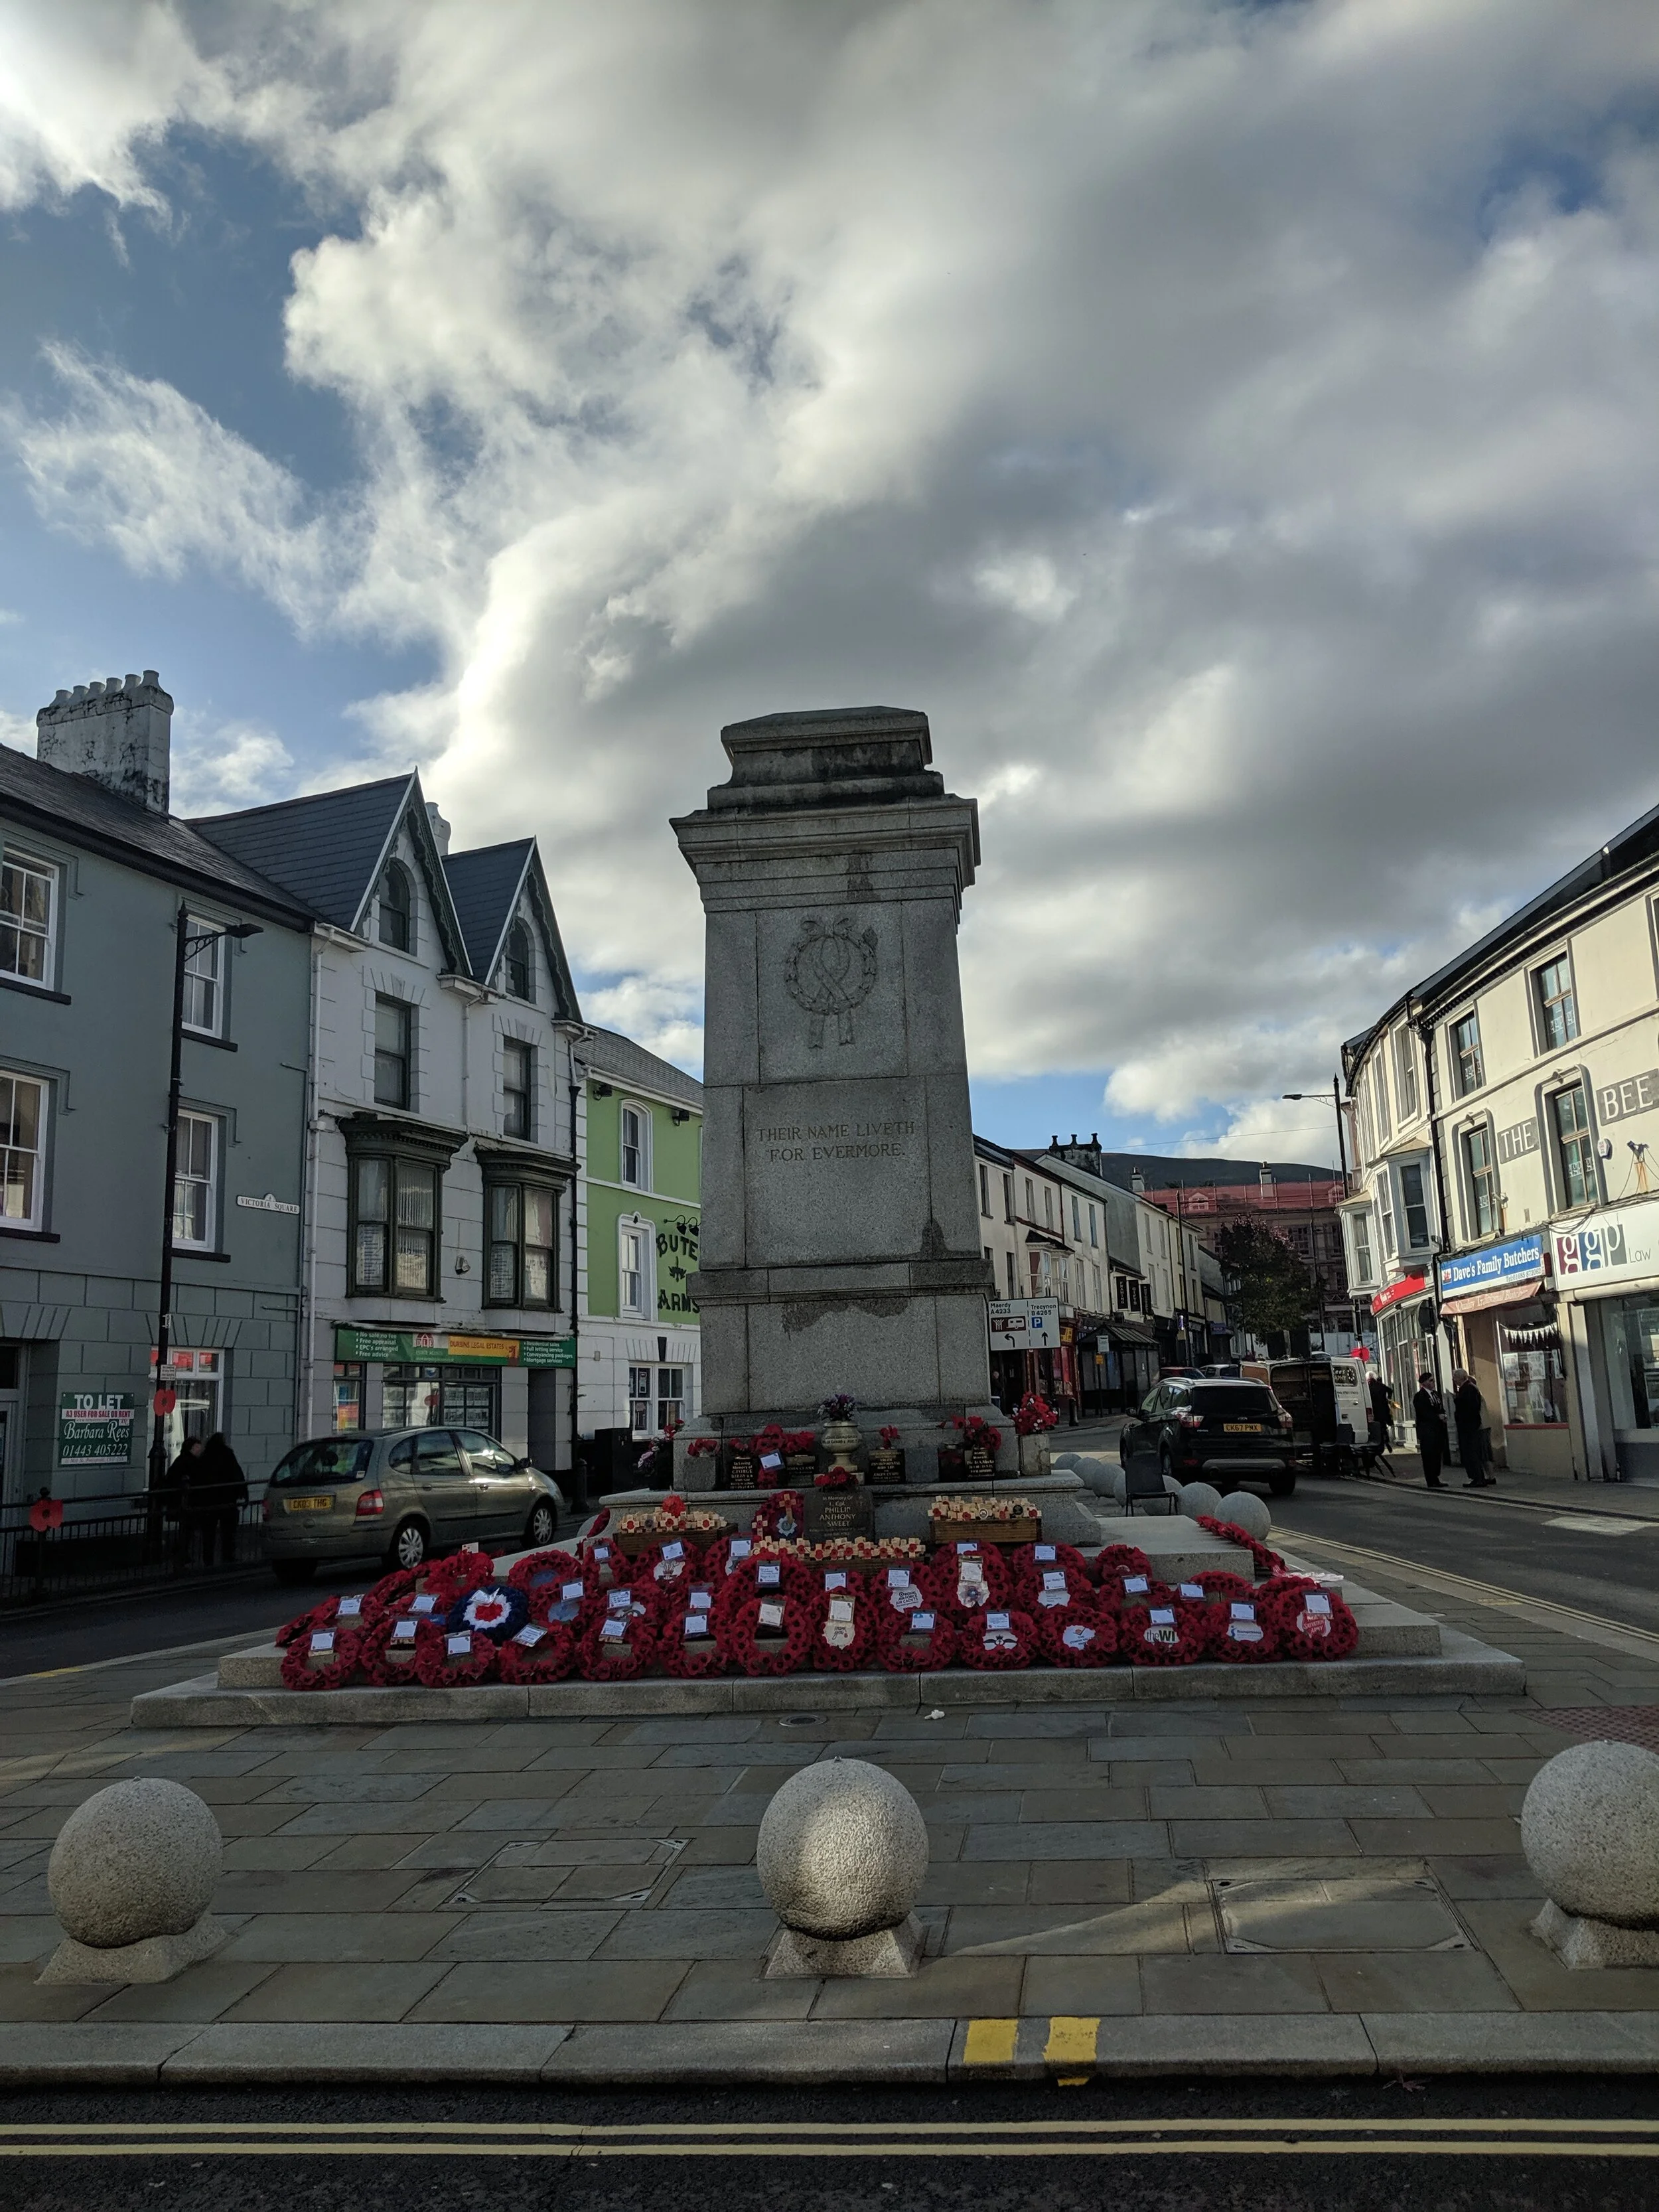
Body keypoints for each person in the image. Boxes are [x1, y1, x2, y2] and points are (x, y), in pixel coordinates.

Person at [192, 1432, 249, 1566]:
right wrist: (244, 1494)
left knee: (209, 1533)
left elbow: (198, 1478)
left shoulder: (205, 1457)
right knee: (228, 1532)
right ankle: (228, 1557)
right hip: (227, 1499)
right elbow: (237, 1475)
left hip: (209, 1500)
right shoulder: (228, 1454)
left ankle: (208, 1559)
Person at [163, 1435, 206, 1564]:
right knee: (188, 1529)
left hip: (184, 1501)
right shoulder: (190, 1462)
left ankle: (180, 1553)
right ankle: (180, 1554)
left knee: (187, 1529)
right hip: (187, 1501)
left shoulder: (182, 1460)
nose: (200, 1449)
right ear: (192, 1448)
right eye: (198, 1446)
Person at [1453, 1369, 1494, 1486]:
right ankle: (1479, 1478)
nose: (1454, 1379)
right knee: (1475, 1453)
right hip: (1472, 1426)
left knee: (1474, 1453)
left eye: (1455, 1377)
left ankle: (1479, 1478)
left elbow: (1470, 1409)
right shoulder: (1467, 1389)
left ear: (1462, 1377)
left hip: (1471, 1427)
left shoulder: (1469, 1389)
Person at [1413, 1372, 1449, 1489]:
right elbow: (1423, 1413)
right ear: (1424, 1383)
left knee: (1437, 1454)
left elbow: (1440, 1408)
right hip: (1427, 1431)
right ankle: (1431, 1479)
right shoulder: (1420, 1397)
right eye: (1430, 1380)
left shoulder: (1436, 1395)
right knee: (1429, 1455)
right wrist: (1437, 1417)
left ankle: (1436, 1477)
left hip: (1438, 1429)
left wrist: (1443, 1415)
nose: (1433, 1383)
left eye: (1433, 1380)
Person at [1368, 1372, 1397, 1468]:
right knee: (1383, 1427)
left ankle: (1377, 1448)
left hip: (1374, 1412)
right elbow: (1390, 1390)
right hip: (1383, 1411)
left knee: (1374, 1432)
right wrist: (1389, 1398)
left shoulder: (1368, 1388)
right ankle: (1386, 1440)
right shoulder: (1381, 1386)